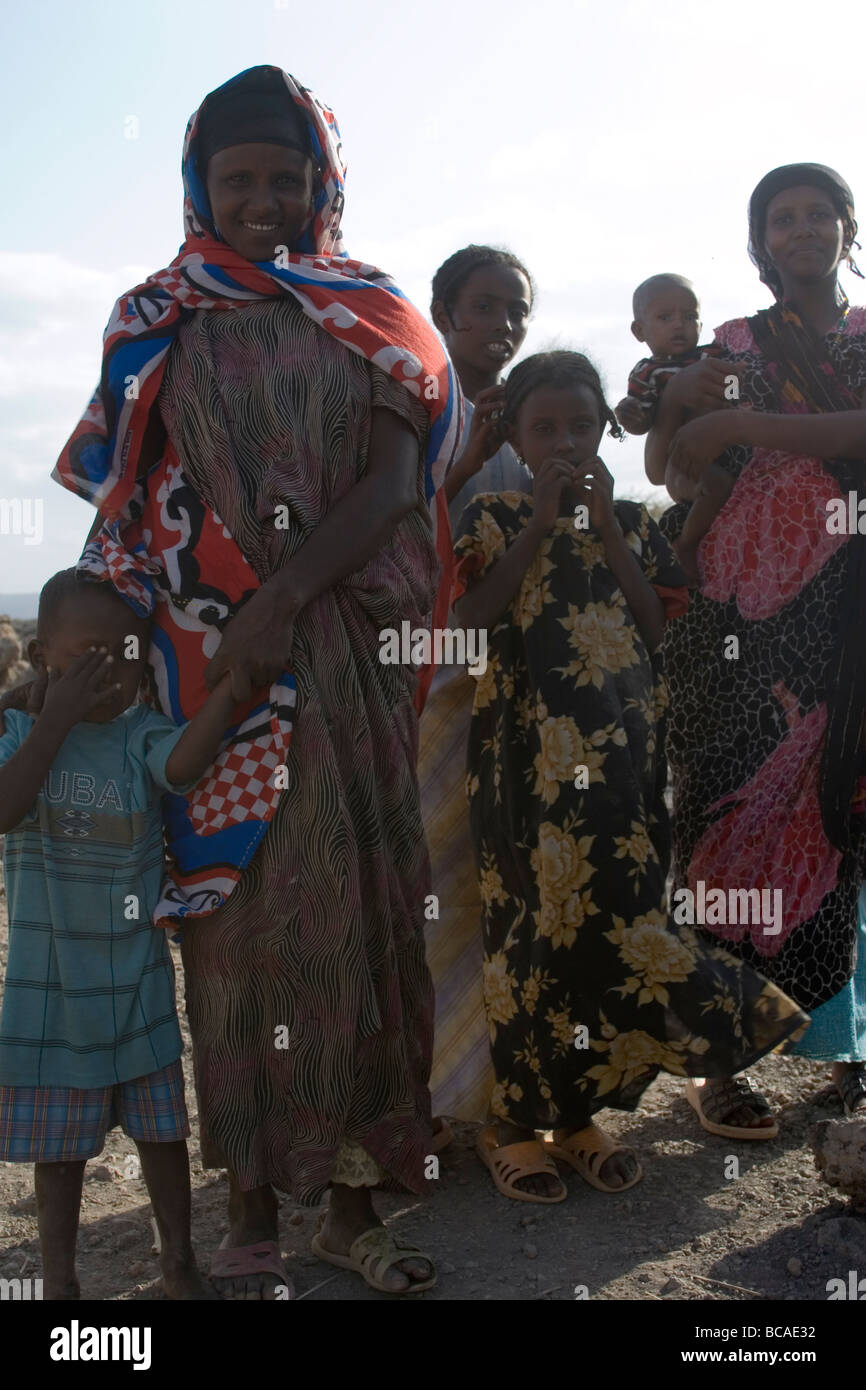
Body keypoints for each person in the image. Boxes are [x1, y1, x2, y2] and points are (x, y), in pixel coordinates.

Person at [32, 65, 462, 1298]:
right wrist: (74, 658)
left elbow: (390, 489)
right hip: (209, 670)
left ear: (323, 183)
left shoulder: (374, 311)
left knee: (354, 911)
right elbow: (125, 501)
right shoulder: (156, 314)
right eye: (238, 179)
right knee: (232, 932)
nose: (263, 197)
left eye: (286, 176)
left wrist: (281, 599)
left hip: (336, 654)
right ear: (198, 186)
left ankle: (352, 1201)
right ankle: (250, 1206)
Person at [453, 350, 806, 1203]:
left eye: (582, 425)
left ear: (608, 428)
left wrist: (606, 525)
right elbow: (468, 621)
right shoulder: (494, 516)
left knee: (618, 920)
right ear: (516, 439)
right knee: (532, 938)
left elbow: (653, 627)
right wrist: (540, 523)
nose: (567, 444)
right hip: (524, 765)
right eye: (546, 430)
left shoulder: (638, 522)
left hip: (623, 756)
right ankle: (510, 1125)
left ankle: (573, 1118)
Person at [646, 163, 866, 1133]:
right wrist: (678, 402)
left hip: (844, 604)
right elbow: (666, 463)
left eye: (819, 211)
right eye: (781, 216)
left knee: (838, 813)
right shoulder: (731, 343)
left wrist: (738, 419)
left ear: (847, 229)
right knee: (718, 810)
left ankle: (840, 1046)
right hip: (730, 612)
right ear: (758, 239)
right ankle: (715, 1058)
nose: (802, 227)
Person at [0, 571, 236, 1299]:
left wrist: (233, 690)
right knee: (60, 1153)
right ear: (43, 656)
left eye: (129, 655)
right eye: (90, 655)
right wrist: (50, 723)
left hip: (135, 981)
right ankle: (61, 1281)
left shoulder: (140, 736)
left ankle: (179, 1266)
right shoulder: (17, 735)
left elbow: (184, 763)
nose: (113, 669)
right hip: (52, 990)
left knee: (163, 1137)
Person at [420, 244, 534, 1144]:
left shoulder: (527, 420)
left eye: (517, 310)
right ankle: (435, 1094)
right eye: (487, 306)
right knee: (438, 886)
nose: (503, 324)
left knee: (501, 882)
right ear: (444, 311)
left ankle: (488, 1089)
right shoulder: (416, 407)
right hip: (428, 682)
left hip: (510, 685)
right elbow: (391, 526)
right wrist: (471, 454)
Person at [615, 274, 732, 585]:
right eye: (665, 317)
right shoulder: (647, 373)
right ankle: (686, 545)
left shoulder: (713, 357)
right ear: (640, 331)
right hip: (679, 464)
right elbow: (643, 421)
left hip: (725, 452)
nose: (679, 325)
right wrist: (629, 416)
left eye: (690, 316)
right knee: (717, 487)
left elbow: (737, 390)